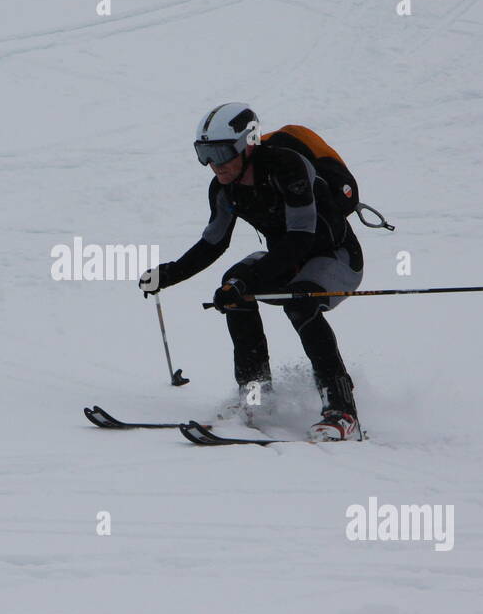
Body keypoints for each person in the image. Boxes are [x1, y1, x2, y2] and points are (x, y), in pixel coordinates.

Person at [140, 103, 364, 440]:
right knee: (233, 291)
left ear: (247, 144)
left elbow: (300, 238)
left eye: (220, 152)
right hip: (287, 261)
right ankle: (256, 399)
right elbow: (213, 243)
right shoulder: (224, 188)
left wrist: (249, 280)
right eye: (205, 154)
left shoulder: (288, 167)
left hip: (336, 258)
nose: (214, 164)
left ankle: (342, 411)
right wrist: (168, 274)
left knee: (298, 303)